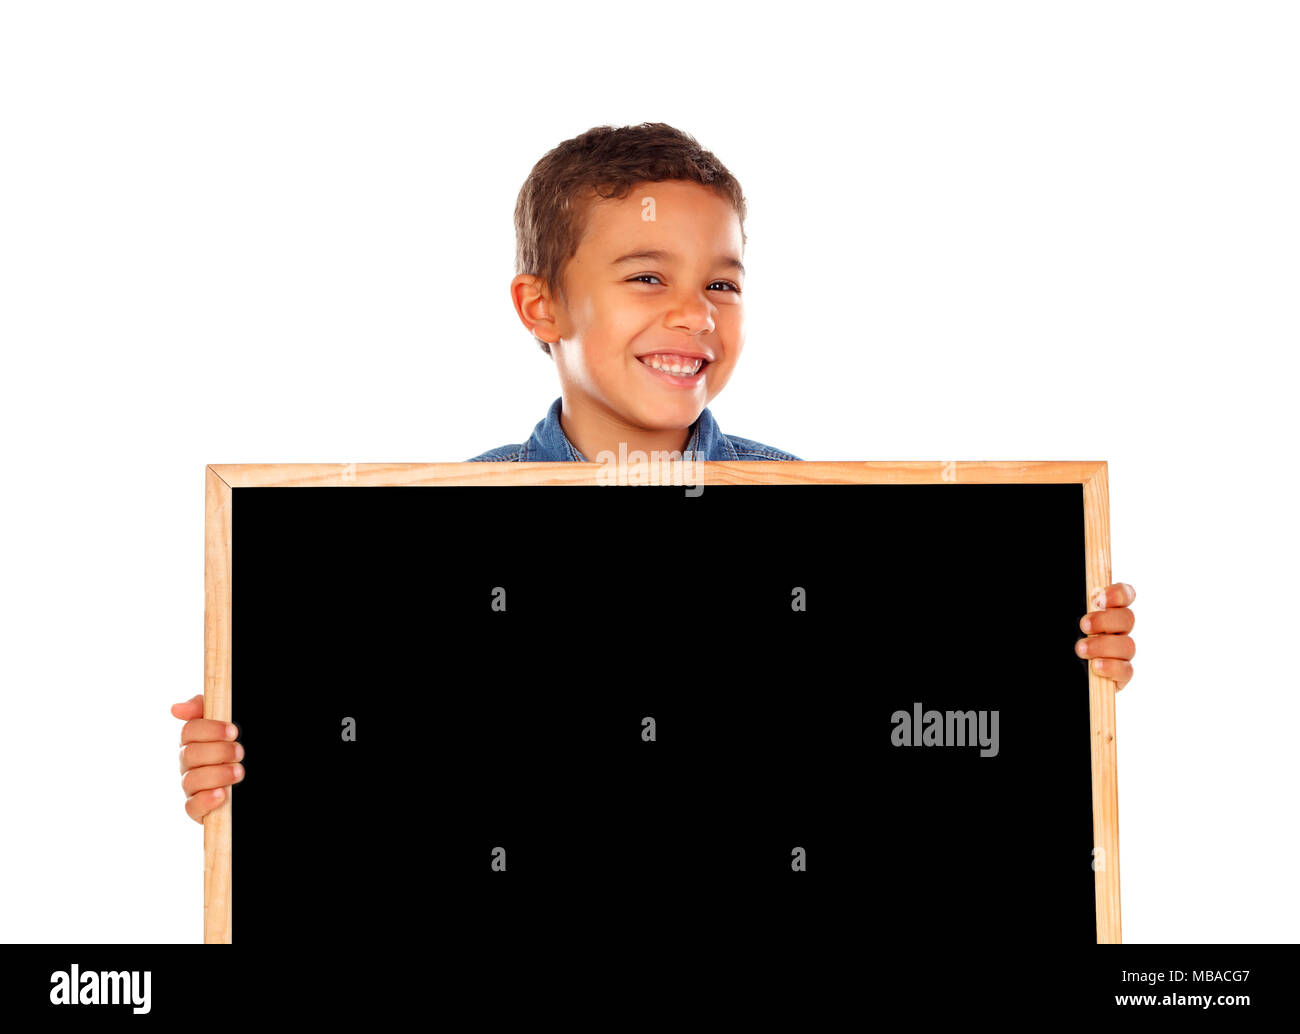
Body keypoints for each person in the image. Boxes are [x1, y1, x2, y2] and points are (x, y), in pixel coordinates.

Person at [173, 123, 1136, 822]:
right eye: (647, 276)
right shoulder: (440, 532)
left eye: (722, 282)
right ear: (541, 307)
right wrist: (246, 769)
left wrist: (1061, 668)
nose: (696, 314)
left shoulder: (823, 518)